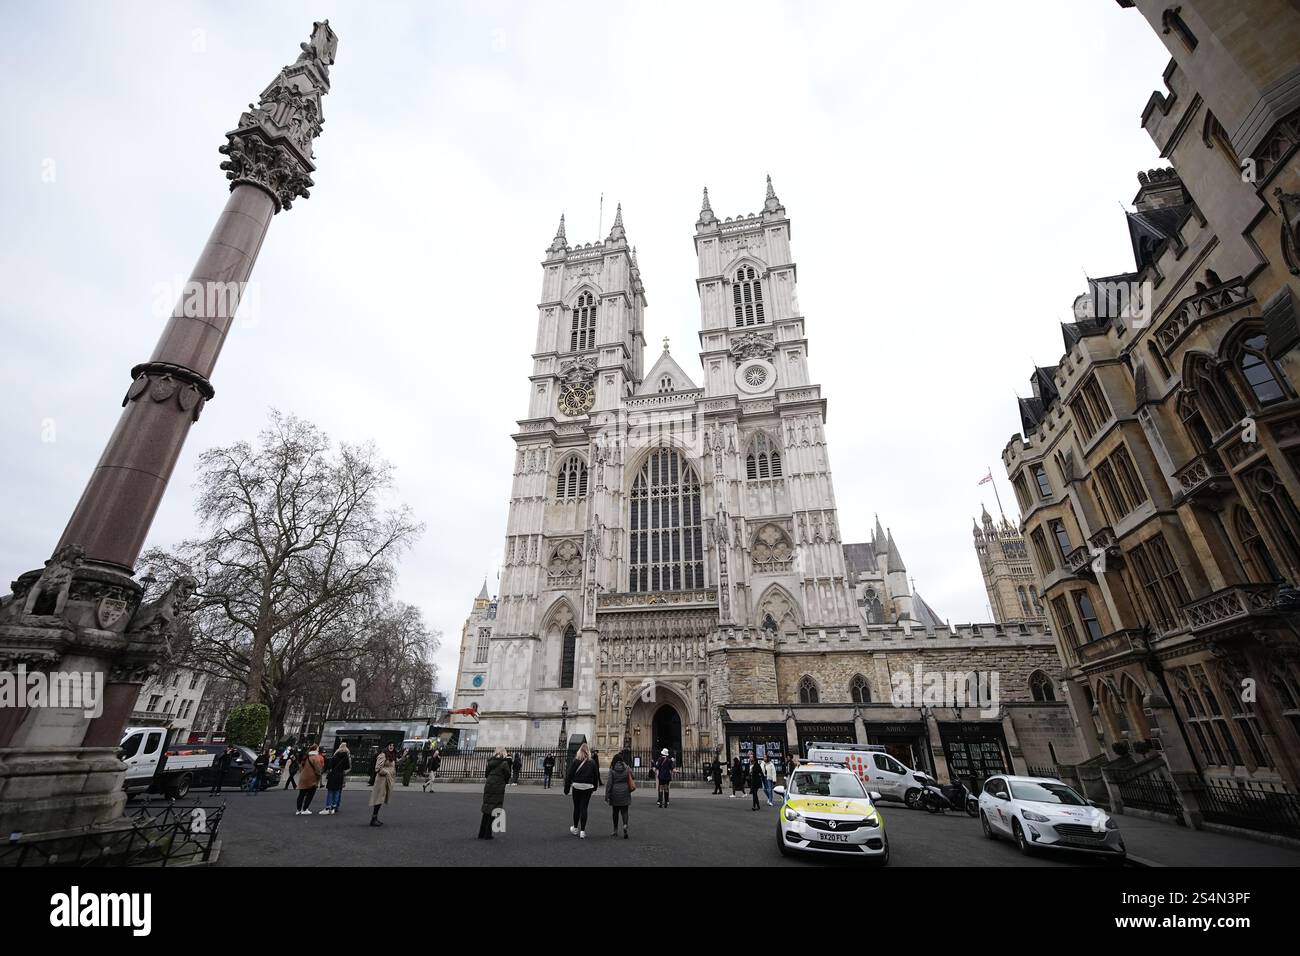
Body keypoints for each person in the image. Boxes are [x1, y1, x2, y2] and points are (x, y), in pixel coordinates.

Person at [564, 743, 601, 838]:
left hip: (577, 786)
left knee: (577, 807)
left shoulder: (576, 761)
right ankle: (583, 831)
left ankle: (575, 828)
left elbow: (569, 775)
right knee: (584, 808)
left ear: (579, 751)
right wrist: (595, 787)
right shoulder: (592, 762)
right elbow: (596, 775)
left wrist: (566, 789)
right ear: (588, 751)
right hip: (588, 787)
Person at [479, 748, 512, 839]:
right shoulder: (504, 763)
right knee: (494, 809)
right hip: (498, 787)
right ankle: (488, 834)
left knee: (486, 809)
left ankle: (481, 833)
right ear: (503, 754)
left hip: (489, 786)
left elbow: (486, 774)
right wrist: (503, 781)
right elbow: (507, 775)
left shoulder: (490, 762)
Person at [604, 749, 635, 839]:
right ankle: (625, 825)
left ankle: (615, 830)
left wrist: (607, 795)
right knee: (625, 811)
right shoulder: (627, 768)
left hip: (615, 792)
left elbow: (609, 783)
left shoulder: (612, 769)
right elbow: (633, 776)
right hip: (625, 791)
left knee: (615, 812)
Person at [369, 743, 397, 826]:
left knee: (381, 800)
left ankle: (375, 818)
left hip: (387, 781)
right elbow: (377, 768)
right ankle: (373, 819)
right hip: (381, 781)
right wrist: (387, 772)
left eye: (393, 745)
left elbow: (395, 764)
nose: (392, 746)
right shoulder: (383, 755)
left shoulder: (391, 755)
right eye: (390, 745)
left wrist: (404, 755)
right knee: (378, 799)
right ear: (387, 746)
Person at [295, 745, 325, 814]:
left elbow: (301, 767)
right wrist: (319, 775)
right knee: (310, 794)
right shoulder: (316, 758)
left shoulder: (306, 757)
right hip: (312, 778)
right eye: (317, 749)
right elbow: (318, 769)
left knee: (301, 794)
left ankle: (298, 810)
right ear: (315, 750)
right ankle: (305, 809)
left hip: (303, 778)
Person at [322, 742, 350, 815]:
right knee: (337, 792)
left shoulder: (335, 756)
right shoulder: (346, 757)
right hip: (340, 775)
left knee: (330, 791)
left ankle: (328, 807)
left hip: (333, 775)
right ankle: (334, 807)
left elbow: (329, 766)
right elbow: (347, 767)